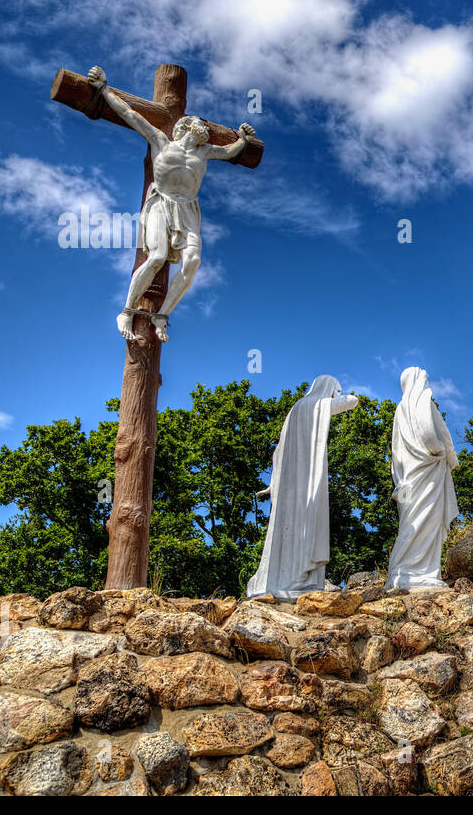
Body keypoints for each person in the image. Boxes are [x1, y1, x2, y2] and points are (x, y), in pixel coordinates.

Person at [87, 64, 256, 342]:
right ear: (188, 126)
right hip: (161, 202)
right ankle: (127, 311)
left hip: (187, 208)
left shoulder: (206, 152)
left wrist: (244, 138)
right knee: (156, 256)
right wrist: (104, 89)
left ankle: (162, 315)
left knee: (192, 261)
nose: (205, 126)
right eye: (200, 123)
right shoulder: (161, 141)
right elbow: (130, 114)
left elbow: (230, 150)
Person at [247, 375, 357, 599]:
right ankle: (298, 579)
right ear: (327, 389)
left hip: (289, 484)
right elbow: (351, 401)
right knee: (305, 524)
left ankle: (287, 578)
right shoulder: (317, 405)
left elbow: (279, 450)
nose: (335, 396)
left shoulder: (295, 410)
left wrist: (273, 483)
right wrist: (339, 395)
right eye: (334, 391)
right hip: (306, 481)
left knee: (290, 528)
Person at [386, 368, 460, 591]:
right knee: (425, 520)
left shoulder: (401, 409)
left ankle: (404, 570)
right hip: (427, 472)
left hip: (410, 474)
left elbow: (397, 450)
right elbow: (431, 433)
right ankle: (416, 572)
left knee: (413, 522)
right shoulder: (422, 400)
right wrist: (440, 453)